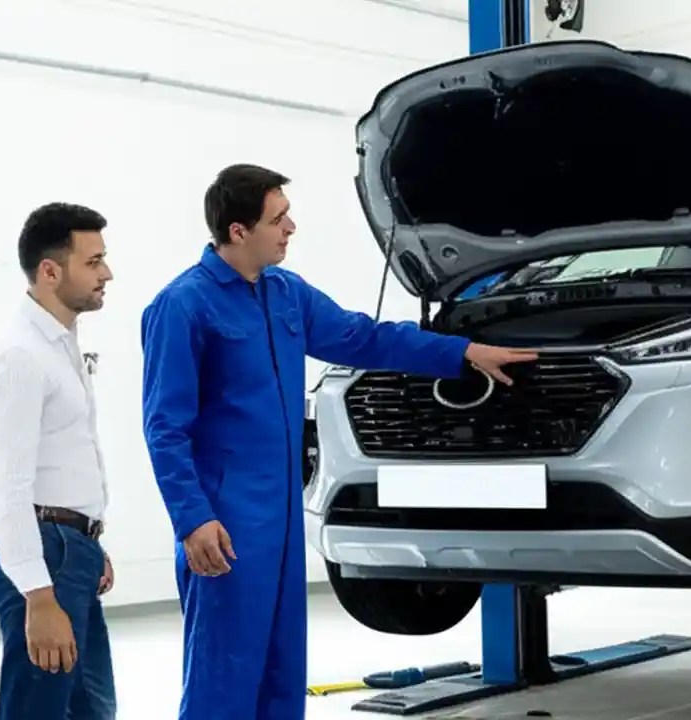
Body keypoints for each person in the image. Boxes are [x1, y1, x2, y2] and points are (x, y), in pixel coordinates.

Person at [139, 164, 538, 720]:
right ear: (238, 231)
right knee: (222, 677)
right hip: (226, 524)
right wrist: (192, 519)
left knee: (282, 674)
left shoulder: (286, 294)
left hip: (279, 519)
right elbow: (164, 426)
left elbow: (364, 339)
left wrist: (462, 353)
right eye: (278, 219)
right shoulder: (183, 306)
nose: (291, 227)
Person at [0, 202, 118, 719]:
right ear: (50, 272)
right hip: (43, 556)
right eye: (94, 261)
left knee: (91, 710)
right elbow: (6, 487)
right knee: (40, 711)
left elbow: (66, 459)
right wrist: (38, 595)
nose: (107, 273)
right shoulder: (22, 357)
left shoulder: (58, 346)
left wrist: (89, 541)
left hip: (66, 549)